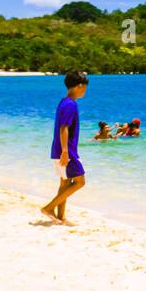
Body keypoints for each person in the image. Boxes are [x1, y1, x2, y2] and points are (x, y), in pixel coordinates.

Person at [41, 71, 88, 225]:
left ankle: (61, 217)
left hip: (59, 149)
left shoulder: (64, 101)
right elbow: (64, 128)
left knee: (66, 183)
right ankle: (49, 208)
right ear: (80, 86)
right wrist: (66, 152)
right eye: (85, 87)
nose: (86, 90)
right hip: (66, 150)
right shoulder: (70, 104)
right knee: (80, 181)